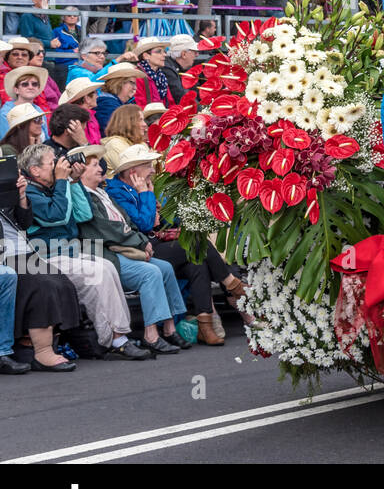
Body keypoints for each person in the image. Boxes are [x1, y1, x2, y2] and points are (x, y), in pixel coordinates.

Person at [19, 143, 153, 360]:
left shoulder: (56, 186)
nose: (58, 166)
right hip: (45, 256)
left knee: (107, 267)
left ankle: (120, 335)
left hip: (68, 252)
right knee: (96, 273)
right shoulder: (30, 192)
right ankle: (115, 339)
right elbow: (57, 216)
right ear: (35, 170)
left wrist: (73, 182)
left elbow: (83, 214)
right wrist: (63, 181)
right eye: (52, 162)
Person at [105, 143, 247, 346]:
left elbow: (156, 221)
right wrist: (145, 193)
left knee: (196, 263)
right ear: (133, 171)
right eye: (148, 165)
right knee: (197, 243)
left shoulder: (140, 186)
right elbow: (144, 224)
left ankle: (206, 326)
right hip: (139, 250)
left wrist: (155, 210)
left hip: (154, 241)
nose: (153, 170)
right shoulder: (118, 192)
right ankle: (232, 284)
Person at [76, 149, 188, 353]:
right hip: (107, 254)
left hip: (126, 248)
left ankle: (169, 329)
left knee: (165, 268)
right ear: (81, 172)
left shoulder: (102, 193)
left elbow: (128, 222)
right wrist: (141, 242)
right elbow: (109, 230)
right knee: (150, 273)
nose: (100, 168)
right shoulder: (86, 198)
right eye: (93, 165)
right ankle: (151, 335)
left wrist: (141, 241)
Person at [1, 172, 81, 372]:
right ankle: (42, 351)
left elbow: (25, 222)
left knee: (61, 282)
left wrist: (20, 195)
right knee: (42, 286)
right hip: (6, 256)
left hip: (25, 251)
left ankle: (40, 343)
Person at [94, 62, 148, 129]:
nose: (135, 88)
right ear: (119, 83)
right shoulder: (107, 104)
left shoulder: (119, 103)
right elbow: (114, 131)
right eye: (132, 83)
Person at [1, 65, 51, 135]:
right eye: (25, 84)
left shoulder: (39, 110)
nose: (30, 87)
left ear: (38, 88)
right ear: (16, 90)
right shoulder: (5, 113)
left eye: (34, 84)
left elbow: (45, 137)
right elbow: (5, 141)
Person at [58, 78, 103, 144]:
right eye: (95, 92)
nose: (97, 96)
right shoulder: (76, 118)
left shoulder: (90, 115)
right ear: (87, 98)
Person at [162, 34, 199, 104]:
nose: (197, 55)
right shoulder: (168, 69)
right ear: (184, 54)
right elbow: (180, 95)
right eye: (195, 52)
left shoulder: (182, 68)